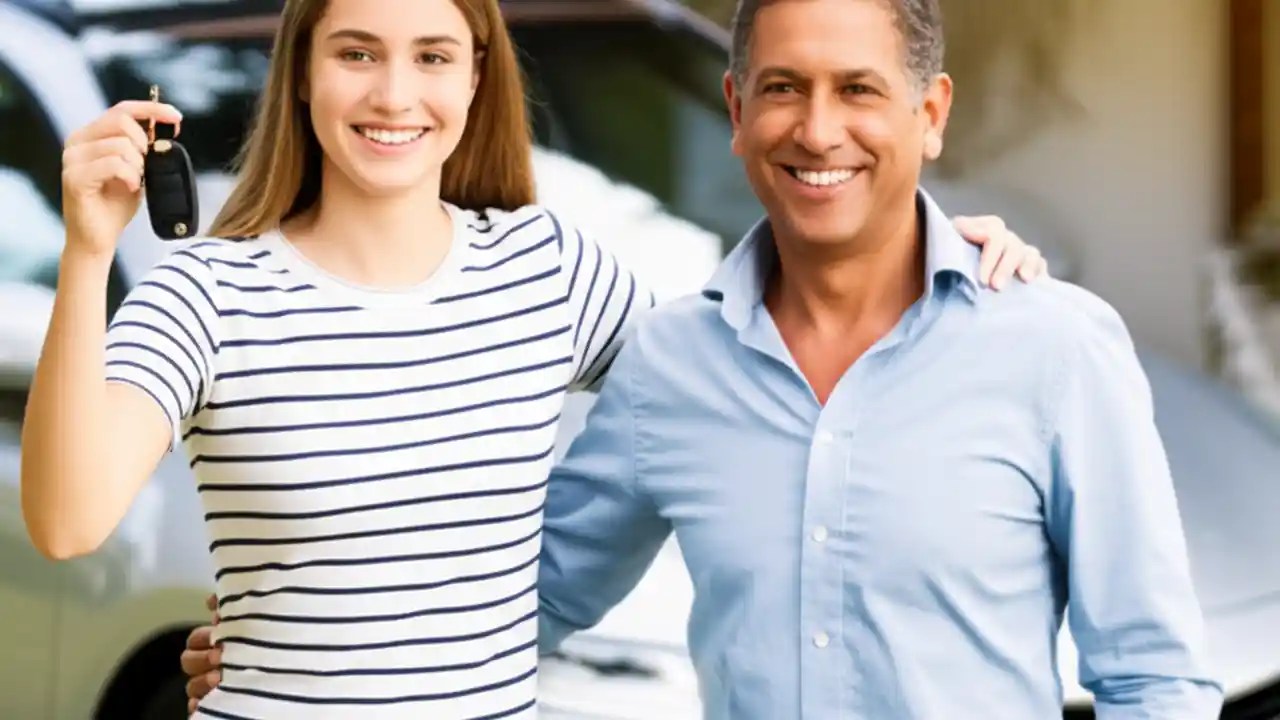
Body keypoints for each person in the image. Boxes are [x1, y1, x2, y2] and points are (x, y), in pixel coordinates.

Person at [22, 0, 1046, 718]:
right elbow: (68, 521)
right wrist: (86, 252)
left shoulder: (545, 268)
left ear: (474, 75)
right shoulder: (209, 294)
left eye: (431, 54)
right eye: (356, 52)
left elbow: (761, 373)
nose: (393, 94)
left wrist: (919, 256)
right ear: (302, 75)